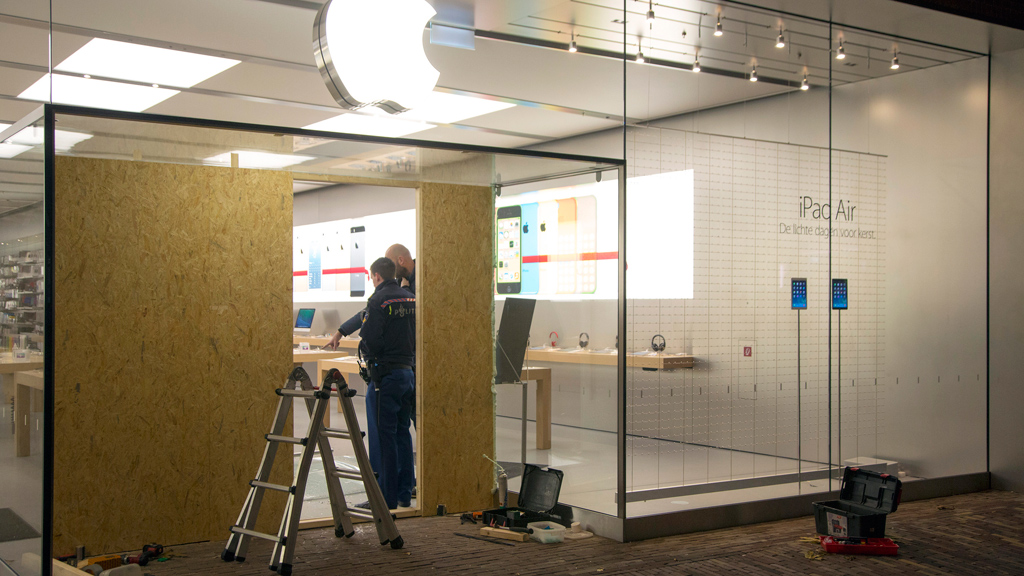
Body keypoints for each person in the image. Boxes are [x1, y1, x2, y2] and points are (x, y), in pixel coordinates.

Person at [358, 257, 415, 509]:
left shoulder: (378, 300)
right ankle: (404, 493)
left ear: (377, 277)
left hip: (386, 376)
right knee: (402, 432)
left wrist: (376, 359)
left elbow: (369, 337)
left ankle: (384, 499)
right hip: (408, 374)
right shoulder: (410, 297)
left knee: (384, 438)